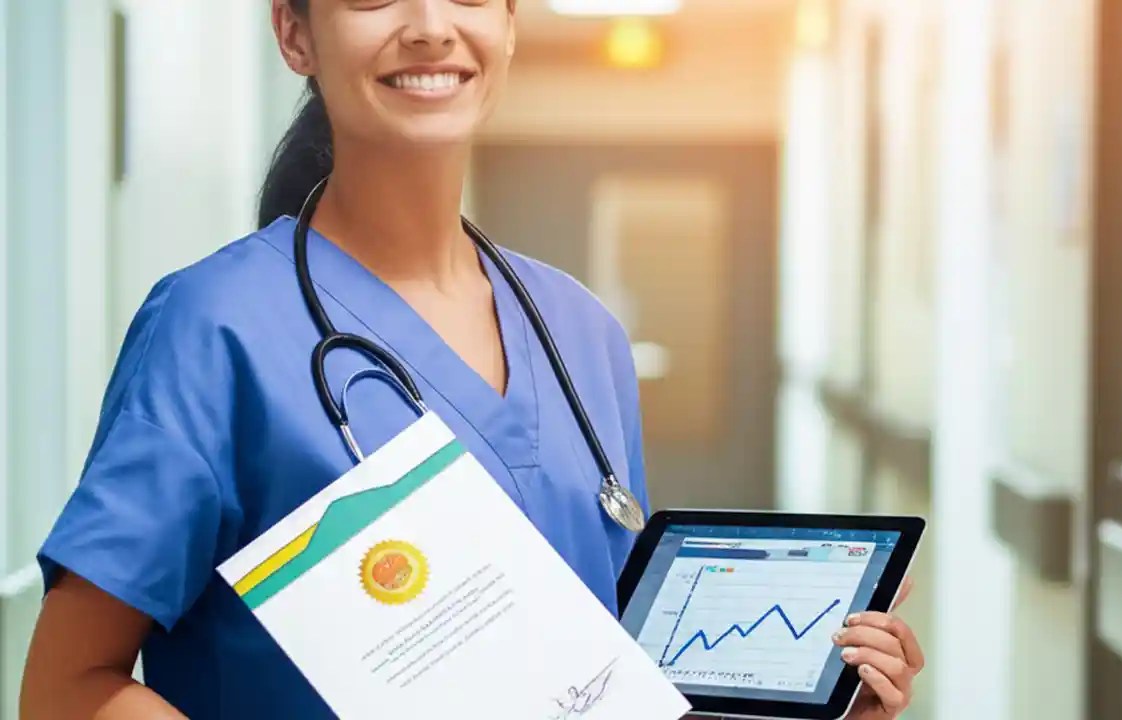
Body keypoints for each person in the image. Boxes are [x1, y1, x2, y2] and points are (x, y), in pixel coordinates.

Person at [19, 1, 924, 718]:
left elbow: (611, 683)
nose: (428, 23)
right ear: (295, 32)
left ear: (508, 25)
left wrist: (823, 706)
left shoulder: (583, 333)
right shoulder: (214, 327)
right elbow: (67, 688)